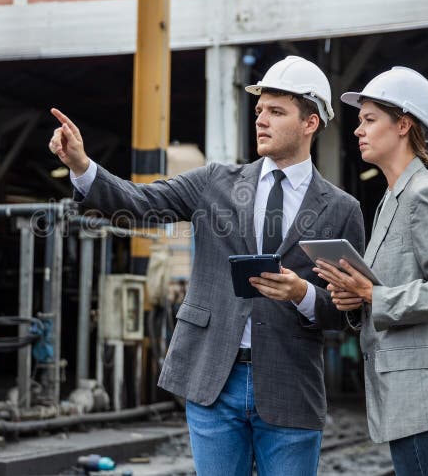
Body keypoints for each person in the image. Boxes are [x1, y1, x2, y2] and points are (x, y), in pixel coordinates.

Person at [48, 55, 365, 475]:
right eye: (259, 110)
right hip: (214, 378)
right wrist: (82, 167)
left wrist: (303, 293)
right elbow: (139, 202)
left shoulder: (342, 209)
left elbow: (347, 311)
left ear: (310, 123)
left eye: (276, 112)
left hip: (290, 384)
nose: (261, 120)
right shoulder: (215, 182)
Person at [313, 66, 428, 476]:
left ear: (403, 125)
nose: (358, 130)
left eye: (370, 120)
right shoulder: (393, 196)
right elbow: (395, 283)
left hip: (418, 386)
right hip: (402, 384)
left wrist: (374, 295)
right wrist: (355, 297)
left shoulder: (422, 194)